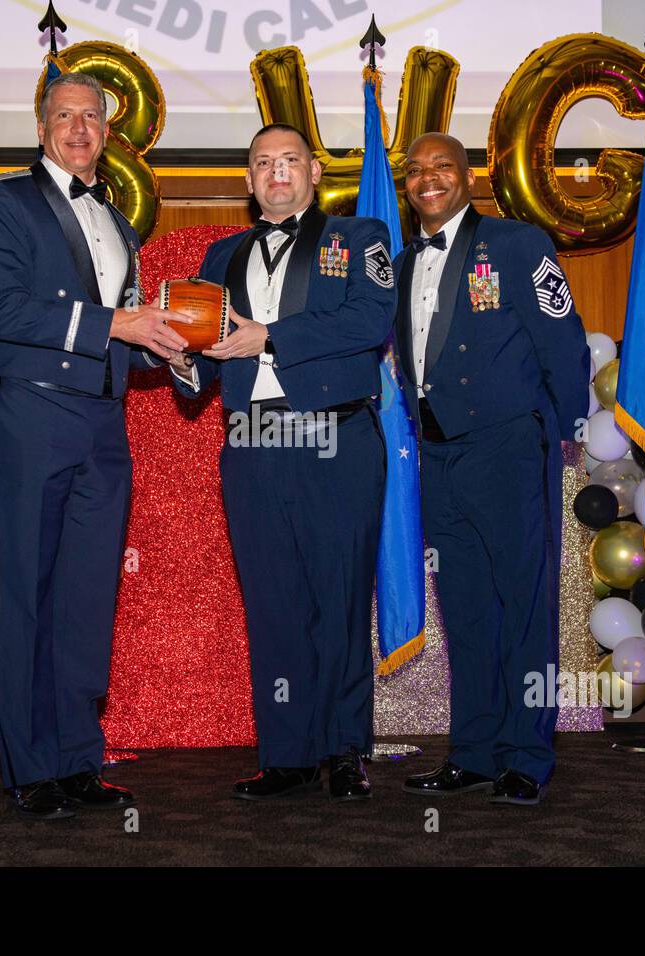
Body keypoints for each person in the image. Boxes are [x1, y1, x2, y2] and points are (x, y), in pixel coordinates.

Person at [0, 71, 193, 819]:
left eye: (92, 116)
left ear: (107, 132)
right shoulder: (1, 201)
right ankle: (31, 768)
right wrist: (115, 327)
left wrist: (170, 351)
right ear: (41, 128)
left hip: (102, 424)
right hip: (31, 414)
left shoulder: (120, 222)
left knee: (86, 602)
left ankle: (77, 762)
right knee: (25, 594)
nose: (80, 127)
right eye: (65, 115)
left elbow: (125, 329)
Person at [165, 123, 395, 801]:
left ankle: (346, 751)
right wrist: (179, 360)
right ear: (248, 180)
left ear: (315, 172)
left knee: (342, 598)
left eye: (289, 160)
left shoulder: (361, 240)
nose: (276, 172)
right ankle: (288, 754)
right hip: (253, 442)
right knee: (274, 603)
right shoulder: (220, 253)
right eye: (262, 163)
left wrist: (268, 336)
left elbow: (371, 319)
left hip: (336, 438)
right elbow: (202, 362)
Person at [395, 133, 590, 805]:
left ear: (467, 175)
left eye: (441, 167)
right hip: (439, 458)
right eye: (415, 171)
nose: (427, 180)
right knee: (467, 610)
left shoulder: (517, 244)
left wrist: (558, 436)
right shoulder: (399, 262)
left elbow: (563, 343)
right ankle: (474, 752)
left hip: (508, 450)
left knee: (524, 607)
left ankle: (528, 755)